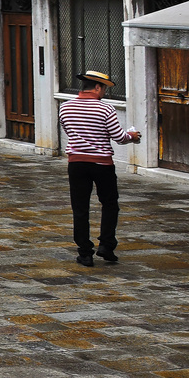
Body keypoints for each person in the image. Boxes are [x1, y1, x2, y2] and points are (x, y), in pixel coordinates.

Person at [58, 69, 141, 267]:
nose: (104, 92)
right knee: (110, 204)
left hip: (76, 164)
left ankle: (85, 252)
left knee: (80, 208)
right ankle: (106, 245)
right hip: (102, 164)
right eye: (103, 88)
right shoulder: (106, 109)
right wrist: (133, 136)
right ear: (97, 87)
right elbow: (119, 137)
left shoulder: (65, 107)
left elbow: (68, 131)